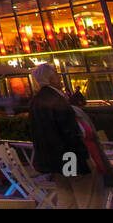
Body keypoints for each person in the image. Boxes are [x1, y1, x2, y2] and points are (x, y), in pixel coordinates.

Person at [29, 63, 96, 208]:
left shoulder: (36, 100)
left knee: (66, 197)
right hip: (70, 156)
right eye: (56, 74)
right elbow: (69, 131)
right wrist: (82, 155)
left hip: (55, 159)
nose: (59, 77)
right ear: (51, 79)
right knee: (85, 197)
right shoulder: (57, 99)